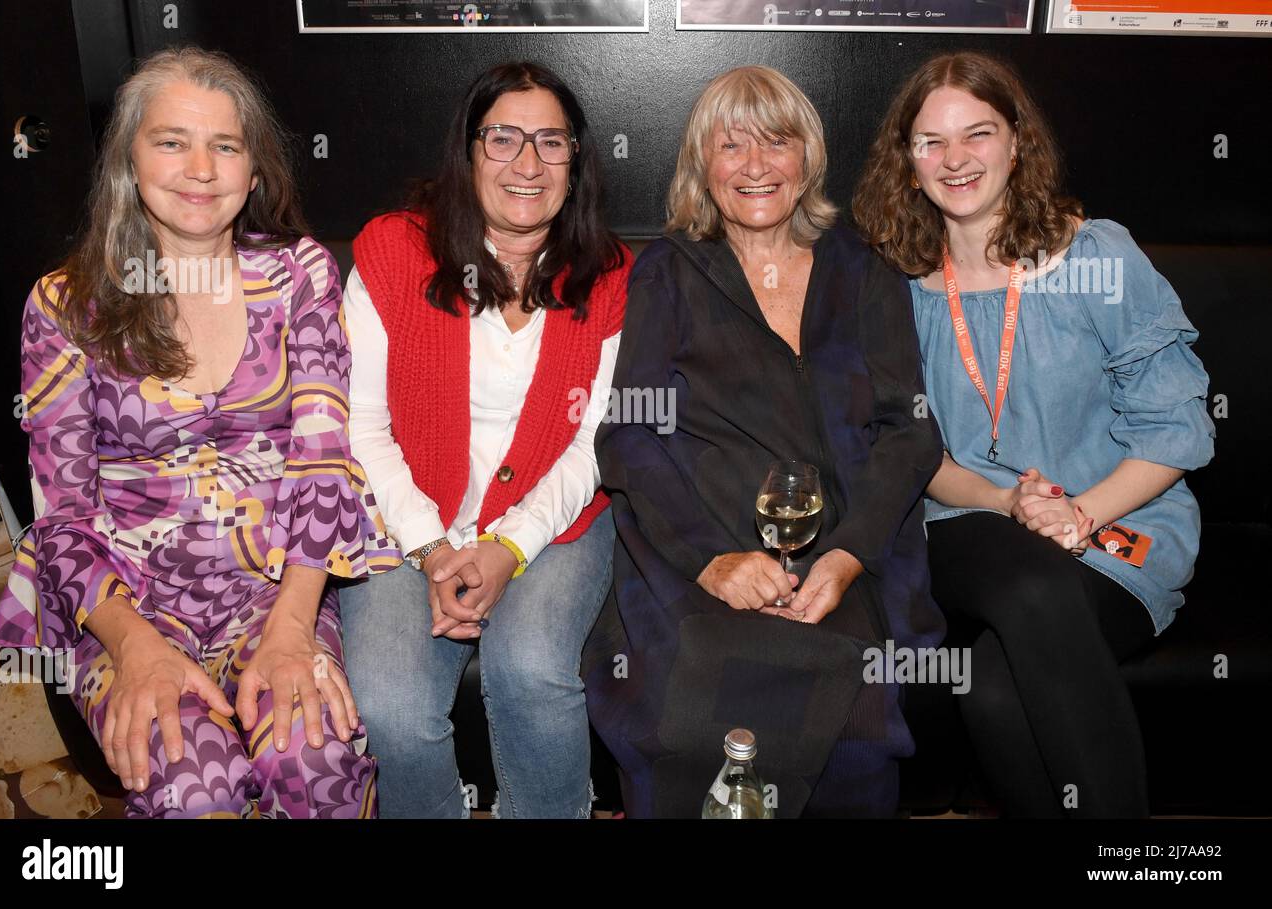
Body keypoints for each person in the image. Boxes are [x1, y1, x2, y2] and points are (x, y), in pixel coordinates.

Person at [0, 47, 400, 818]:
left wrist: (293, 629)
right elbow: (65, 515)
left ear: (255, 170)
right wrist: (134, 646)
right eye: (172, 141)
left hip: (273, 587)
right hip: (126, 603)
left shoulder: (299, 274)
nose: (202, 170)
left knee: (315, 756)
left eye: (226, 146)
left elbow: (324, 462)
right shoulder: (64, 304)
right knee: (188, 784)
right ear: (129, 159)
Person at [852, 51, 1216, 817]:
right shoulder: (894, 285)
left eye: (977, 133)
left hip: (1114, 524)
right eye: (931, 142)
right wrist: (1008, 502)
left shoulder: (1098, 259)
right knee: (1029, 578)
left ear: (1017, 142)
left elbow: (1177, 427)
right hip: (963, 518)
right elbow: (912, 448)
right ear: (907, 160)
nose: (956, 159)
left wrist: (1077, 512)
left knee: (992, 688)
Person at [583, 65, 944, 818]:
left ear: (808, 157)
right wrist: (711, 561)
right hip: (701, 546)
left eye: (776, 142)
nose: (755, 165)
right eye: (731, 146)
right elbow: (629, 435)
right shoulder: (670, 272)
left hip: (850, 548)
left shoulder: (863, 267)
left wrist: (847, 555)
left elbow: (909, 429)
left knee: (856, 725)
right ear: (702, 166)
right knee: (700, 718)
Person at [339, 61, 630, 818]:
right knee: (392, 709)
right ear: (469, 151)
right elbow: (361, 427)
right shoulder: (393, 253)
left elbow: (593, 444)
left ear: (576, 161)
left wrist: (509, 548)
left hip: (557, 519)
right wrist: (433, 550)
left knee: (531, 669)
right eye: (503, 138)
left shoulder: (609, 276)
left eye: (551, 142)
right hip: (403, 519)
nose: (527, 163)